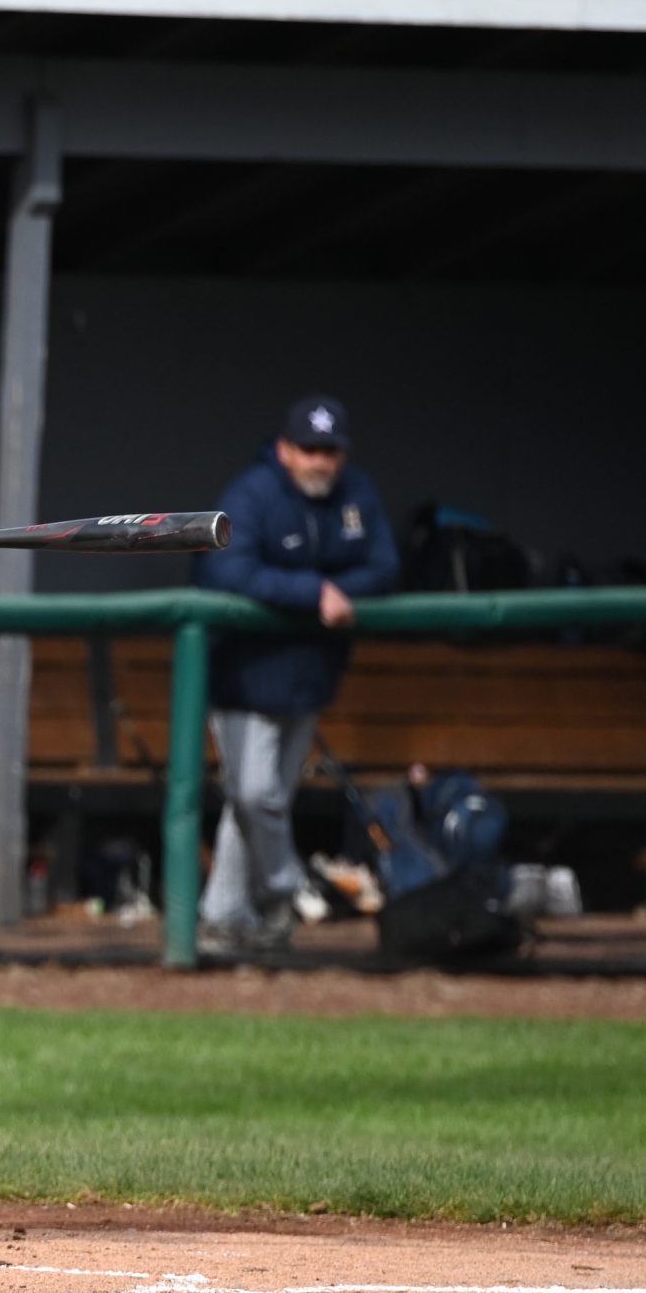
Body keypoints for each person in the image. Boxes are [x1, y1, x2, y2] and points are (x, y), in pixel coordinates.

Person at [192, 394, 400, 953]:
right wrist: (314, 591)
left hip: (308, 678)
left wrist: (336, 592)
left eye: (329, 451)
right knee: (256, 796)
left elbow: (385, 565)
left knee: (257, 804)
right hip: (244, 676)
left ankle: (223, 918)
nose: (319, 461)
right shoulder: (253, 494)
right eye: (309, 449)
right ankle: (284, 889)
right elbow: (227, 569)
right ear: (285, 450)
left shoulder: (356, 495)